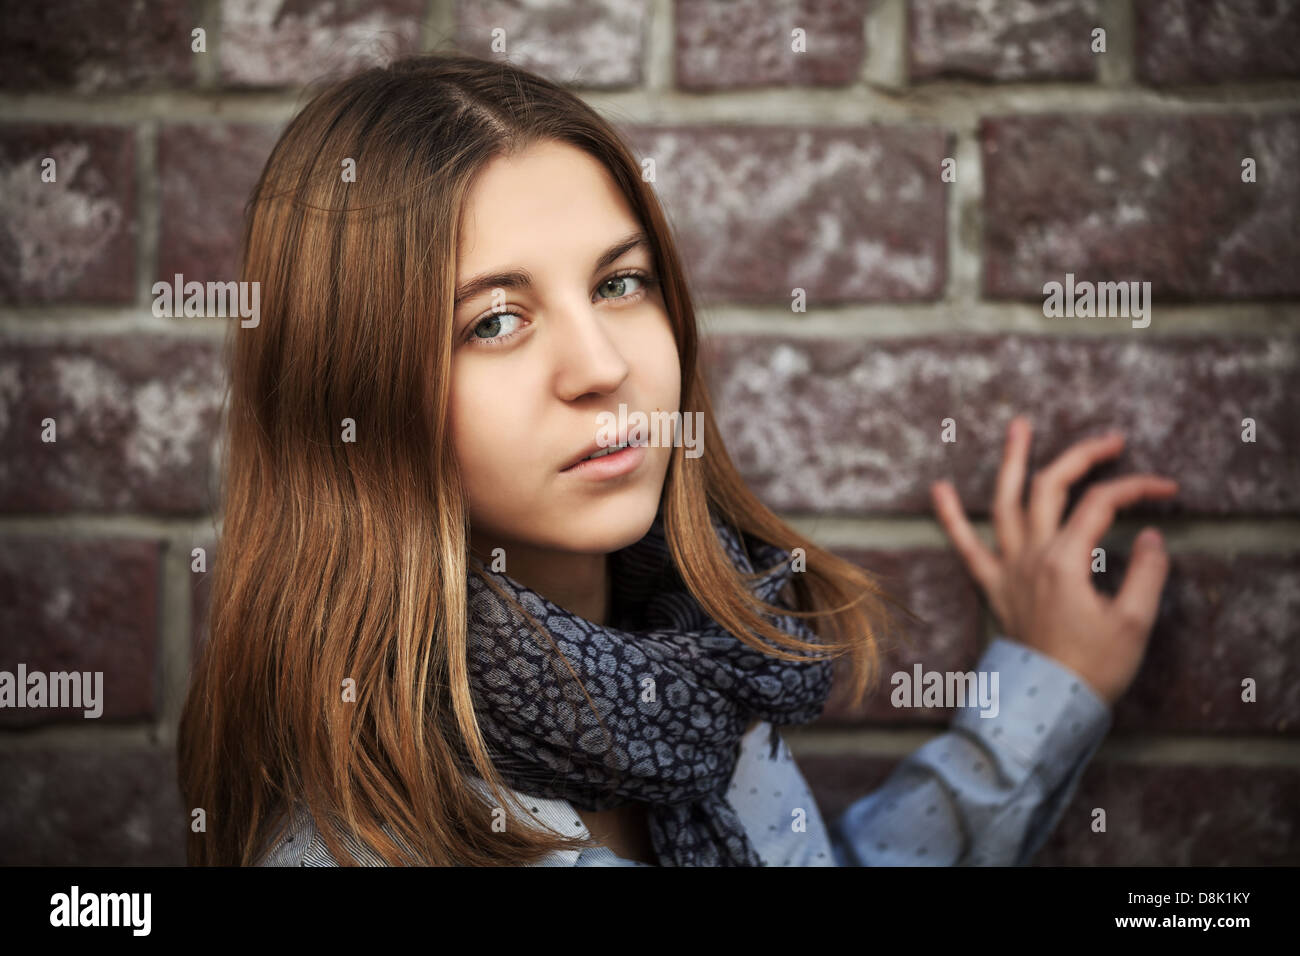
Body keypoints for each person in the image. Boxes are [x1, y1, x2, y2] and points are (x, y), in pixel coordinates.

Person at [177, 51, 1179, 867]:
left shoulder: (695, 662)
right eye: (494, 319)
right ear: (350, 390)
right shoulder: (365, 844)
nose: (602, 366)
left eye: (619, 284)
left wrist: (1044, 687)